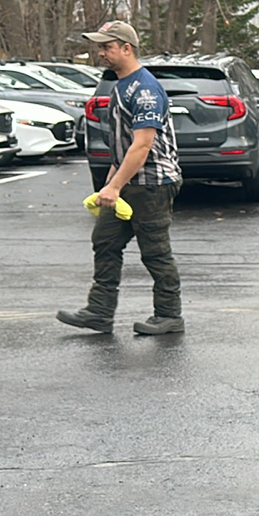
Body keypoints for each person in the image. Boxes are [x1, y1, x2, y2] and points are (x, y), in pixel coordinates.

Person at [57, 20, 185, 335]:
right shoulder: (122, 85)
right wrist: (109, 185)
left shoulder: (145, 89)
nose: (100, 53)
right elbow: (123, 148)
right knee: (105, 240)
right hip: (128, 182)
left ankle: (169, 316)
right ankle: (99, 312)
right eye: (99, 47)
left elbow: (142, 146)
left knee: (155, 250)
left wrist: (115, 186)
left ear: (127, 49)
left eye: (107, 47)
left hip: (153, 183)